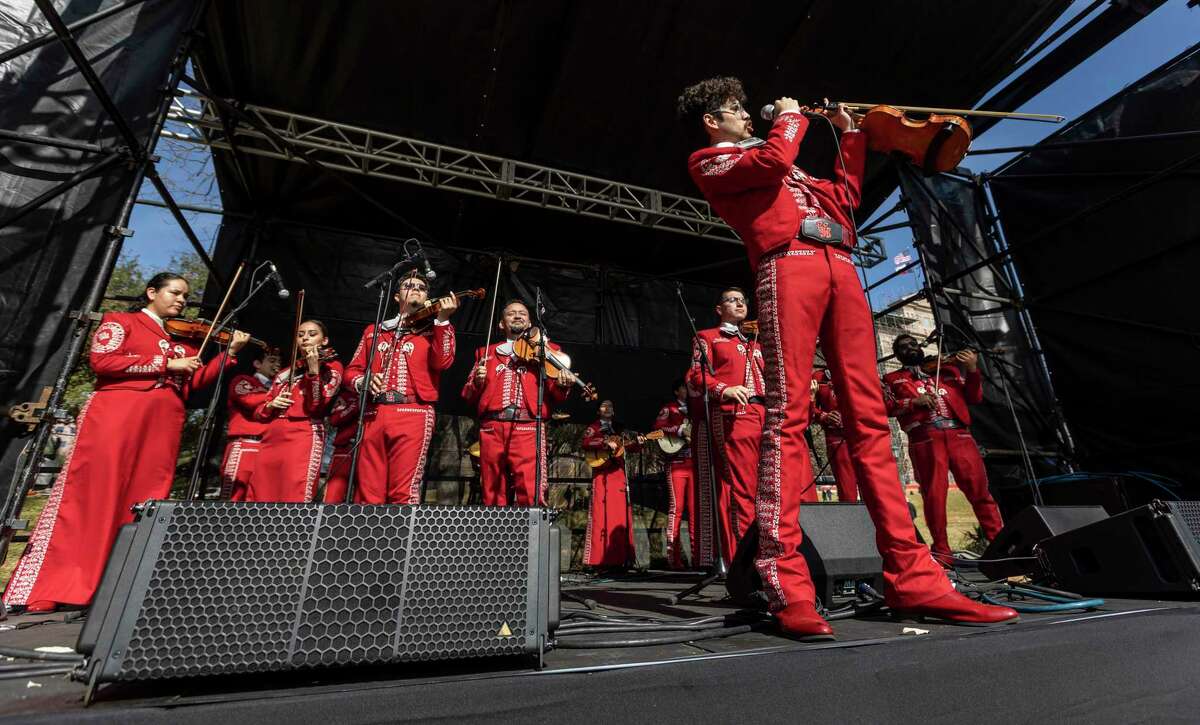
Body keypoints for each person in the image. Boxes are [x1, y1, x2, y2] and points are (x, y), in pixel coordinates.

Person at [679, 76, 1016, 639]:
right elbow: (769, 161)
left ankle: (914, 577)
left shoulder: (787, 166)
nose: (746, 115)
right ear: (715, 121)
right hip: (788, 265)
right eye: (736, 110)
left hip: (839, 265)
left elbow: (845, 199)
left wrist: (852, 136)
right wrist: (792, 118)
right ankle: (788, 585)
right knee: (788, 416)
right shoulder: (710, 160)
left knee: (870, 422)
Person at [3, 272, 249, 613]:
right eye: (175, 293)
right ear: (151, 292)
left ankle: (113, 588)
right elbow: (102, 362)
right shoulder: (121, 322)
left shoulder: (188, 343)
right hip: (116, 415)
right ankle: (53, 584)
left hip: (162, 425)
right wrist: (166, 362)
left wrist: (228, 354)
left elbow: (192, 386)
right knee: (91, 494)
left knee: (144, 500)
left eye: (185, 296)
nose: (181, 300)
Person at [883, 335, 1004, 564]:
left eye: (913, 344)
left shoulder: (947, 370)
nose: (909, 348)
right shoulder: (892, 378)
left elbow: (974, 397)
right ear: (897, 355)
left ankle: (998, 544)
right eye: (902, 347)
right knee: (934, 496)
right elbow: (886, 407)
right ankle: (942, 551)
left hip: (960, 435)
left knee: (980, 492)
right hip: (925, 437)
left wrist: (972, 370)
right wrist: (912, 403)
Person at [344, 271, 458, 504]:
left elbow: (443, 361)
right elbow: (351, 371)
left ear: (427, 296)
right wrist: (362, 381)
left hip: (413, 412)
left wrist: (443, 320)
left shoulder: (433, 329)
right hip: (373, 413)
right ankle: (367, 541)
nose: (415, 288)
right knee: (367, 492)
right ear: (397, 297)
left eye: (421, 287)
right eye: (409, 285)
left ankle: (400, 541)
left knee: (403, 492)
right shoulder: (375, 330)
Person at [461, 300, 576, 506]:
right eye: (511, 313)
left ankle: (529, 537)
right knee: (492, 492)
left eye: (522, 313)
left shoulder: (546, 350)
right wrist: (477, 382)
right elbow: (467, 394)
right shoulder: (486, 352)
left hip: (528, 426)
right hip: (492, 427)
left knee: (530, 489)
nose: (517, 316)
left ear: (530, 322)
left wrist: (562, 384)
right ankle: (494, 537)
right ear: (501, 324)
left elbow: (557, 395)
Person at [685, 287, 768, 566]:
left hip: (765, 415)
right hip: (736, 415)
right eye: (732, 300)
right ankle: (749, 563)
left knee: (770, 488)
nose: (740, 303)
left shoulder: (756, 343)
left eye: (743, 300)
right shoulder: (708, 337)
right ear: (719, 309)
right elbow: (695, 376)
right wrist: (724, 389)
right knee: (743, 490)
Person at [248, 320, 342, 502]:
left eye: (312, 334)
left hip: (303, 435)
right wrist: (271, 405)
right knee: (260, 493)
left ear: (324, 341)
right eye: (300, 334)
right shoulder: (285, 372)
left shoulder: (332, 367)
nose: (305, 337)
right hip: (272, 437)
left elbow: (317, 405)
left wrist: (313, 371)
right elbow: (259, 413)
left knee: (295, 495)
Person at [581, 400, 644, 568]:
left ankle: (621, 559)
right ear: (598, 411)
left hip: (618, 474)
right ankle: (598, 560)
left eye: (610, 406)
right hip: (601, 474)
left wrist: (639, 443)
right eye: (603, 406)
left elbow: (630, 448)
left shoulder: (620, 429)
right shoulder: (593, 427)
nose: (607, 408)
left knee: (620, 516)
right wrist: (604, 443)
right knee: (600, 515)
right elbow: (586, 443)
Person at [220, 346, 281, 501]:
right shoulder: (243, 380)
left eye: (279, 362)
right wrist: (274, 395)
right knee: (234, 499)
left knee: (261, 501)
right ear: (257, 364)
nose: (277, 365)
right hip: (245, 446)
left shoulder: (279, 389)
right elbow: (249, 400)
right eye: (272, 361)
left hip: (269, 449)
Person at [652, 380, 697, 569]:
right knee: (676, 509)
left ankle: (698, 558)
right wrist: (679, 430)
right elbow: (658, 427)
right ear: (677, 390)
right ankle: (673, 557)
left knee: (696, 511)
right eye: (684, 388)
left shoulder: (696, 409)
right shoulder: (669, 409)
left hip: (694, 463)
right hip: (676, 463)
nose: (687, 391)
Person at [811, 367, 859, 502]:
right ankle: (850, 520)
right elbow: (808, 407)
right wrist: (824, 416)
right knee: (847, 490)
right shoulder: (817, 377)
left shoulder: (858, 368)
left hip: (861, 435)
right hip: (836, 438)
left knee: (873, 486)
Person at [322, 386, 361, 504]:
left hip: (369, 451)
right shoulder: (348, 394)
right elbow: (334, 419)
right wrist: (356, 406)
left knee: (363, 498)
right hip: (344, 450)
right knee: (332, 497)